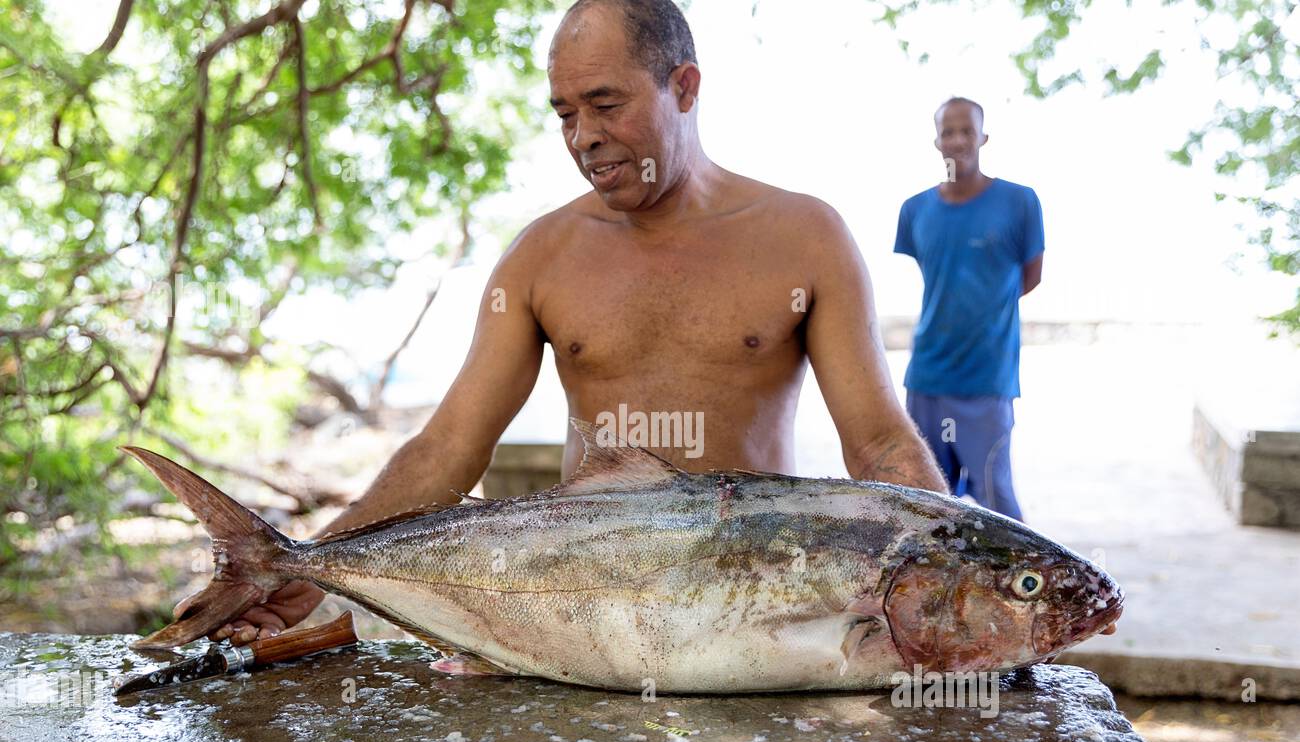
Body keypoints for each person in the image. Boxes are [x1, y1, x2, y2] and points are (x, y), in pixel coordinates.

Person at [197, 0, 948, 643]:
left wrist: (951, 576)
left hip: (750, 611)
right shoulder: (540, 257)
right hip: (575, 613)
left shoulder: (805, 236)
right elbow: (449, 449)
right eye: (564, 113)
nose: (581, 136)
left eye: (606, 103)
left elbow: (881, 442)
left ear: (683, 87)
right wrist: (307, 568)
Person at [893, 96, 1044, 522]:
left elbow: (1029, 278)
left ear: (983, 137)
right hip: (927, 377)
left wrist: (986, 313)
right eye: (948, 131)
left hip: (986, 380)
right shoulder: (915, 210)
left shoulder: (1020, 203)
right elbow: (938, 277)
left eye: (966, 130)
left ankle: (1023, 585)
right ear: (936, 141)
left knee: (998, 505)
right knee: (926, 503)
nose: (957, 139)